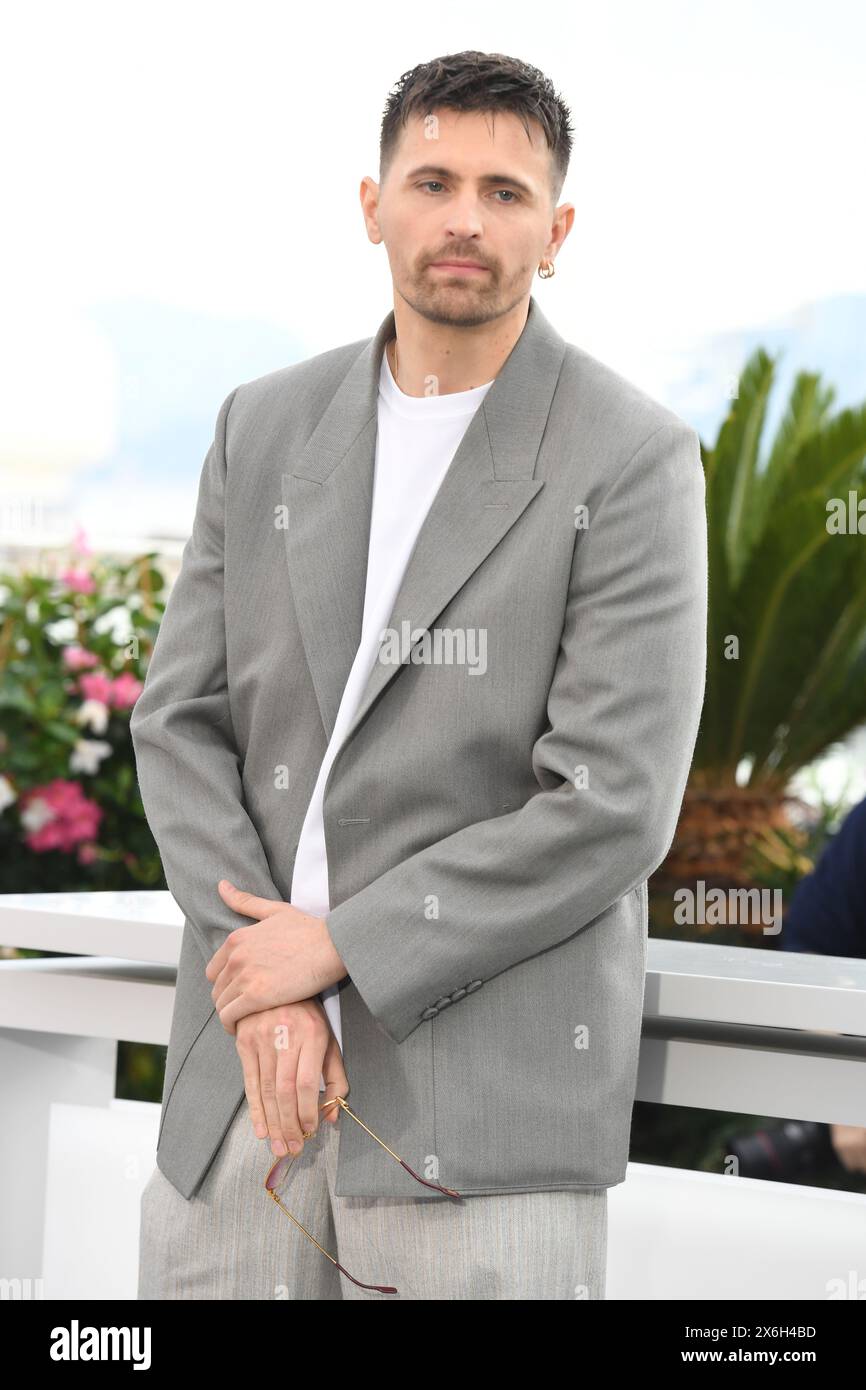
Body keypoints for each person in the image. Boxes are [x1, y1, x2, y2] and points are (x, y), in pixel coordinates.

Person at [131, 49, 708, 1300]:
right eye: (432, 179)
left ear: (555, 233)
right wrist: (263, 982)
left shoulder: (630, 458)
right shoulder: (261, 424)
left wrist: (338, 946)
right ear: (371, 205)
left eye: (504, 193)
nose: (463, 218)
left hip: (480, 1123)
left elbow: (608, 802)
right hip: (238, 1095)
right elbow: (179, 720)